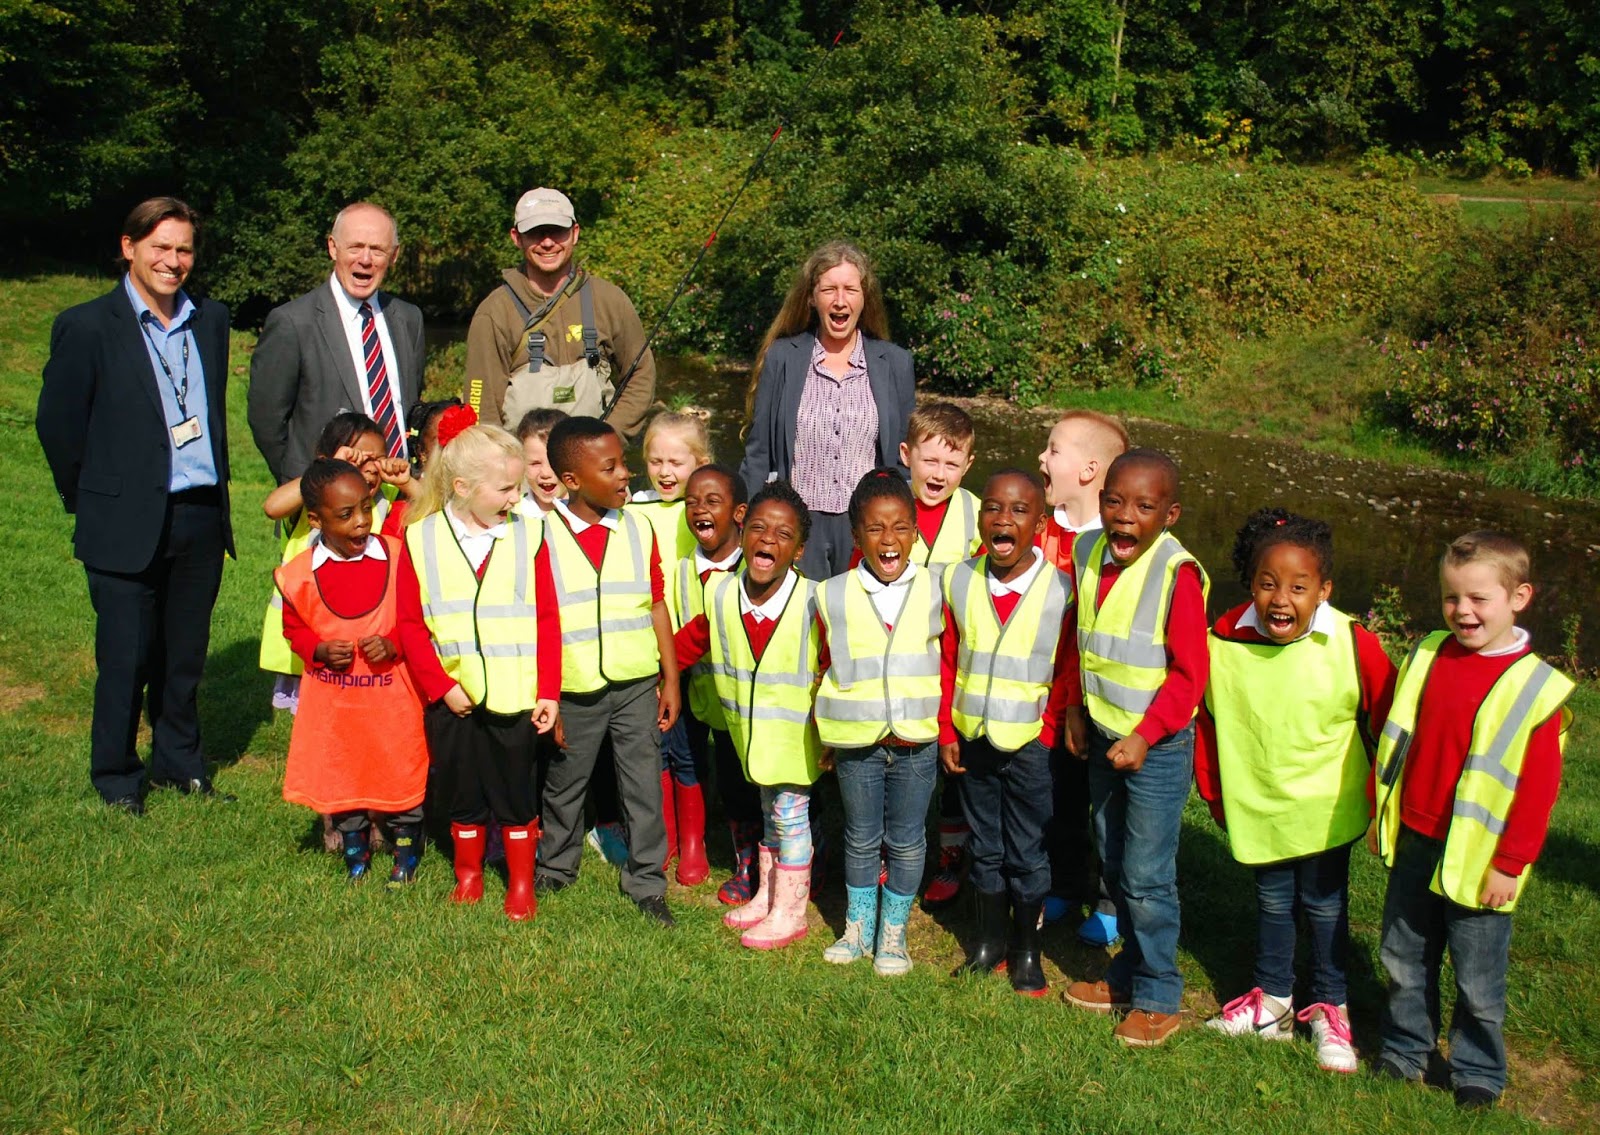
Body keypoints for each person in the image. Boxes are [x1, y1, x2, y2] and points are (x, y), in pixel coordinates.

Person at [37, 197, 234, 813]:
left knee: (183, 657)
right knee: (125, 657)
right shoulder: (88, 326)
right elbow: (58, 427)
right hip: (122, 518)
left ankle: (180, 762)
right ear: (129, 248)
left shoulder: (212, 321)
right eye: (160, 247)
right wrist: (91, 496)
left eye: (184, 250)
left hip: (199, 513)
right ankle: (117, 775)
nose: (173, 261)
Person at [1372, 531, 1573, 1110]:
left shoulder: (1535, 688)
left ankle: (1478, 1068)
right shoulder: (1429, 653)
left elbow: (1538, 793)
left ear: (1520, 597)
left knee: (1478, 976)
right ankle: (1406, 1047)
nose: (1462, 611)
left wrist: (1510, 864)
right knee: (1403, 953)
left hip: (1484, 857)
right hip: (1417, 835)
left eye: (1479, 599)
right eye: (1451, 598)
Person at [1196, 508, 1397, 1074]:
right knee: (1272, 901)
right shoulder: (1224, 641)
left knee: (1326, 905)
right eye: (1267, 584)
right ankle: (1273, 1002)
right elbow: (1208, 725)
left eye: (1299, 587)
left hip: (1327, 808)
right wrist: (1214, 795)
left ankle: (1330, 1010)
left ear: (1324, 591)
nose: (1281, 598)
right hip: (1261, 804)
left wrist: (1388, 800)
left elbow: (1389, 721)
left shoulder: (1353, 644)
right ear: (1250, 585)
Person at [1064, 448, 1209, 1047]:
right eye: (1115, 502)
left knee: (1147, 874)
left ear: (1169, 514)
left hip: (1156, 745)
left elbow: (1189, 676)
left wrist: (1146, 736)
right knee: (1115, 858)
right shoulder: (1085, 551)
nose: (1125, 517)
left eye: (1144, 507)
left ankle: (1158, 993)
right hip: (1102, 732)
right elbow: (1081, 639)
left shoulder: (1175, 577)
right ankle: (1125, 972)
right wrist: (1073, 708)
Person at [398, 411, 562, 920]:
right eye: (507, 489)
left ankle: (519, 882)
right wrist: (440, 686)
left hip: (515, 697)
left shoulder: (528, 537)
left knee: (516, 795)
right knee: (463, 794)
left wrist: (549, 691)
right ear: (463, 486)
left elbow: (548, 618)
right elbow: (409, 625)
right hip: (454, 700)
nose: (517, 498)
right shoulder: (419, 539)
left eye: (518, 488)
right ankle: (468, 876)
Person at [536, 417, 681, 927]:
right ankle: (555, 866)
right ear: (572, 481)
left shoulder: (639, 527)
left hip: (637, 683)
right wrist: (546, 694)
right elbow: (541, 622)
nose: (626, 475)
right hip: (573, 689)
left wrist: (671, 678)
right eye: (611, 467)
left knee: (642, 783)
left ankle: (647, 882)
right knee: (565, 783)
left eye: (624, 463)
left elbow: (658, 604)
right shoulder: (540, 535)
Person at [944, 469, 1083, 996]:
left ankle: (1027, 949)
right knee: (985, 845)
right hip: (973, 734)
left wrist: (1048, 733)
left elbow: (1067, 667)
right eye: (993, 509)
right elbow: (949, 659)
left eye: (1019, 511)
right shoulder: (959, 579)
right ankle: (988, 942)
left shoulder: (1060, 590)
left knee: (1027, 848)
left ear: (1040, 523)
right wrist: (946, 728)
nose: (1004, 520)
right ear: (980, 519)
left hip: (1031, 744)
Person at [815, 470, 958, 976]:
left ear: (916, 532)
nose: (888, 539)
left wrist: (947, 727)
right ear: (856, 537)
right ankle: (858, 928)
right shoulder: (831, 594)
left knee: (907, 838)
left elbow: (949, 663)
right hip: (857, 741)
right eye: (875, 529)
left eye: (900, 527)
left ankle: (893, 934)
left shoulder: (938, 589)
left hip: (917, 739)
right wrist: (825, 736)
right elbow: (821, 665)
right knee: (859, 835)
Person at [674, 481, 823, 950]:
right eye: (758, 528)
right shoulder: (721, 595)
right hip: (749, 741)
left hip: (798, 742)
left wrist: (835, 734)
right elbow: (689, 643)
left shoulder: (816, 601)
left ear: (798, 550)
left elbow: (836, 669)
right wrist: (659, 678)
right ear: (742, 532)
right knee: (769, 813)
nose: (767, 539)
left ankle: (790, 912)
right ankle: (768, 894)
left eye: (783, 534)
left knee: (790, 818)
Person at [275, 458, 428, 884]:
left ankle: (405, 858)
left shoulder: (398, 556)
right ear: (315, 519)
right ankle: (355, 856)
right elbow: (294, 630)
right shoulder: (299, 575)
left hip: (393, 706)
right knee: (344, 782)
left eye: (365, 508)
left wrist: (395, 642)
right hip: (336, 710)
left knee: (401, 778)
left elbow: (420, 616)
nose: (361, 522)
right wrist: (318, 648)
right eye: (345, 515)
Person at [739, 241, 916, 580]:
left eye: (850, 289)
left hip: (868, 526)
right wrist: (744, 519)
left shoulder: (895, 363)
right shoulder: (782, 358)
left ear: (864, 299)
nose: (839, 300)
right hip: (797, 524)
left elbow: (904, 458)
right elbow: (759, 451)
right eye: (829, 289)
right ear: (811, 297)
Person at [248, 202, 425, 484]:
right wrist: (303, 484)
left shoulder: (408, 318)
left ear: (393, 256)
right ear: (333, 248)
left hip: (398, 491)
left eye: (377, 249)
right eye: (355, 247)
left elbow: (411, 406)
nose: (365, 260)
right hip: (325, 499)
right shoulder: (293, 322)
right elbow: (266, 419)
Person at [1037, 409, 1130, 944]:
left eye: (1053, 449)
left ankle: (1110, 898)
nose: (1041, 458)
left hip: (1101, 702)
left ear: (1091, 469)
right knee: (1059, 798)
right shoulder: (1035, 528)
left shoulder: (1114, 544)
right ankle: (1063, 883)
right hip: (1043, 698)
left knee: (1108, 808)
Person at [463, 188, 655, 442]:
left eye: (557, 230)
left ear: (575, 233)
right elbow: (479, 405)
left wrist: (611, 436)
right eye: (535, 232)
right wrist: (505, 465)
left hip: (595, 464)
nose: (547, 242)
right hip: (522, 470)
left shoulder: (610, 300)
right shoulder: (493, 313)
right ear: (516, 237)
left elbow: (641, 374)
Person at [258, 412, 416, 716]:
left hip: (367, 648)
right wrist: (328, 472)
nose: (368, 472)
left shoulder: (385, 500)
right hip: (311, 640)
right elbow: (272, 507)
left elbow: (434, 512)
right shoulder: (319, 500)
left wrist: (407, 482)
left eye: (377, 461)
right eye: (358, 462)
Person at [893, 403, 982, 914]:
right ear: (908, 456)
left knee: (954, 765)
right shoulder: (888, 503)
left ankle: (951, 855)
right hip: (898, 657)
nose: (938, 474)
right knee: (898, 754)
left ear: (968, 465)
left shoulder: (975, 513)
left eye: (952, 465)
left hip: (954, 657)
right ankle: (892, 849)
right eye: (929, 462)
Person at [674, 463, 763, 904]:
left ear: (740, 513)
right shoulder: (680, 570)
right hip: (695, 695)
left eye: (712, 502)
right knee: (696, 766)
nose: (700, 510)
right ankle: (709, 847)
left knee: (744, 781)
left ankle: (759, 861)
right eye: (691, 503)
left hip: (743, 705)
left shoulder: (757, 566)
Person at [632, 411, 712, 883]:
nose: (665, 472)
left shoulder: (704, 510)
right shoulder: (635, 511)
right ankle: (664, 837)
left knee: (690, 748)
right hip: (649, 652)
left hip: (696, 651)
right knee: (658, 744)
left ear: (699, 462)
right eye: (656, 461)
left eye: (676, 462)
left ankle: (696, 843)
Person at [514, 408, 568, 517]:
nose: (546, 473)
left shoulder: (595, 513)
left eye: (554, 461)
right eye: (535, 463)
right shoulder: (512, 514)